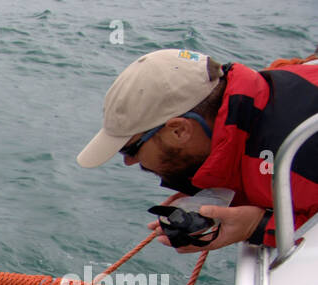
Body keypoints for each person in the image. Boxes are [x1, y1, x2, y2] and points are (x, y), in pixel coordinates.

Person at [76, 48, 318, 251]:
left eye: (131, 149)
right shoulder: (265, 90)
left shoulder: (300, 156)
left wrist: (258, 226)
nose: (129, 162)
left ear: (179, 131)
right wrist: (217, 191)